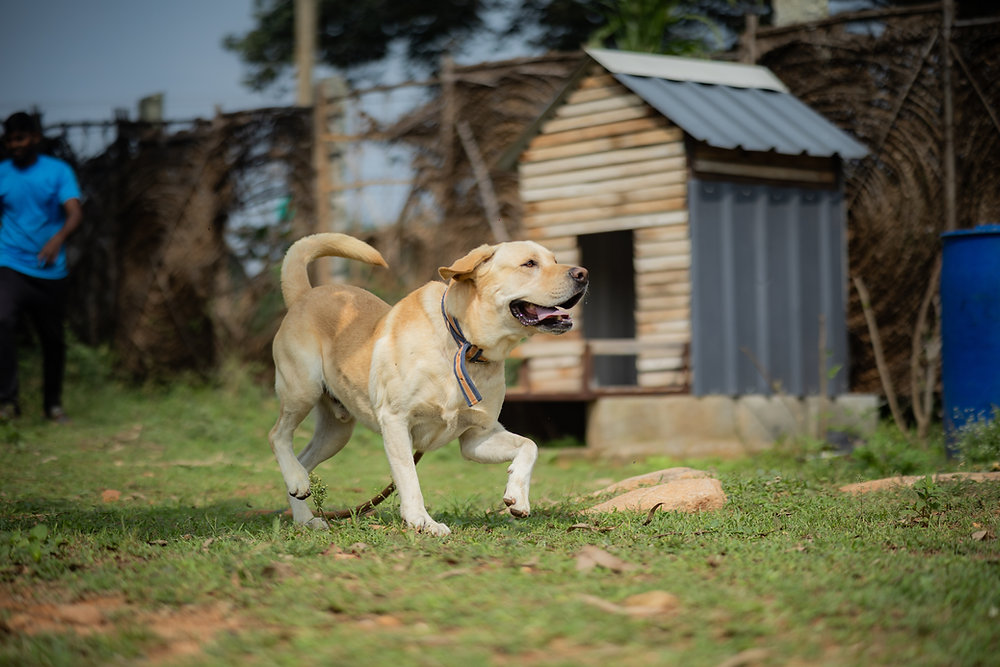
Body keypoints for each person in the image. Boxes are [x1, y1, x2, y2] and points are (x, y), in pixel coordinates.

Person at [0, 112, 82, 423]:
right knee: (2, 320)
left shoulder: (57, 172)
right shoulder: (2, 173)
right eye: (9, 140)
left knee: (52, 339)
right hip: (9, 263)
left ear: (35, 138)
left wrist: (58, 239)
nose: (14, 145)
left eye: (19, 138)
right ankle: (7, 402)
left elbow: (74, 212)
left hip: (50, 270)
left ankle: (53, 405)